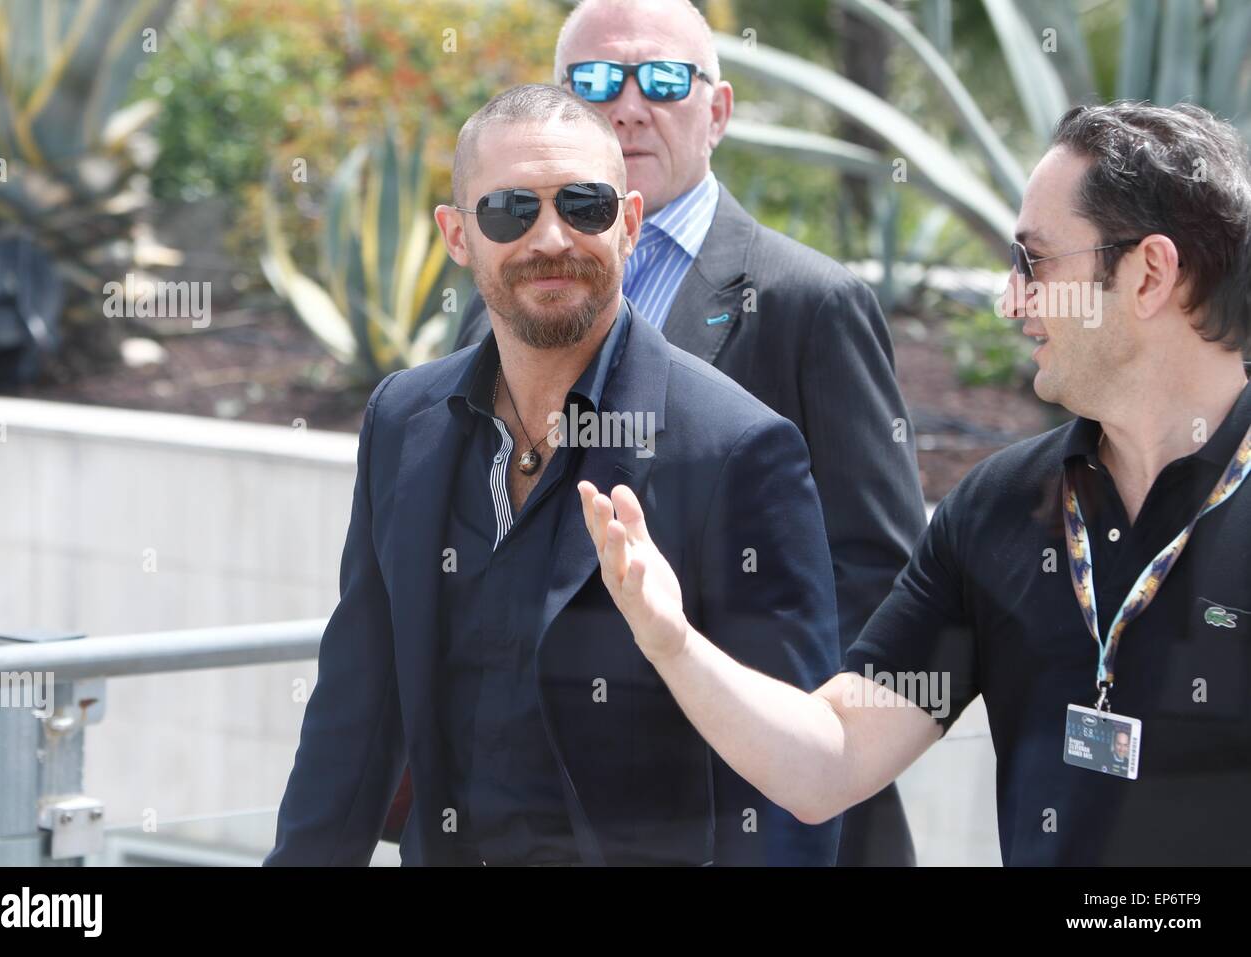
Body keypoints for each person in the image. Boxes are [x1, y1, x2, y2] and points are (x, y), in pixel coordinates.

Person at [579, 101, 1251, 865]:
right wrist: (674, 641)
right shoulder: (1001, 508)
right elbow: (831, 757)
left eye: (1035, 263)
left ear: (1150, 273)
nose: (1011, 300)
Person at [265, 83, 843, 866]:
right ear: (458, 235)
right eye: (510, 210)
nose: (551, 238)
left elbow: (790, 780)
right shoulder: (403, 420)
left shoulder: (737, 448)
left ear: (630, 223)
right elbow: (354, 714)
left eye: (584, 206)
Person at [449, 0, 926, 866]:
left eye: (665, 79)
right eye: (594, 80)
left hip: (740, 815)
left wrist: (748, 721)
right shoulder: (497, 310)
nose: (628, 103)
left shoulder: (808, 305)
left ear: (719, 111)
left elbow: (879, 576)